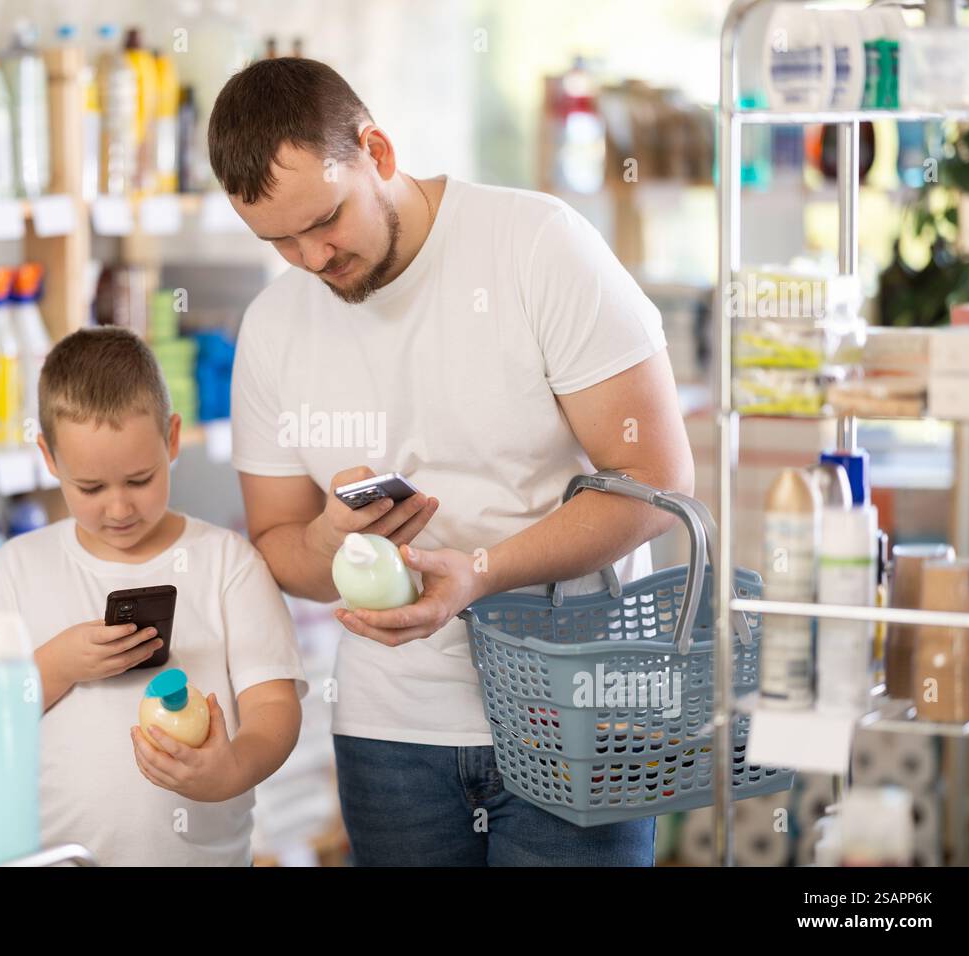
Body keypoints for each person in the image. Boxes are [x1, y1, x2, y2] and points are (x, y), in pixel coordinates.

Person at [210, 57, 694, 866]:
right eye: (278, 239)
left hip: (574, 714)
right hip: (389, 740)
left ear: (379, 151)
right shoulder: (273, 326)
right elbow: (278, 545)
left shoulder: (538, 247)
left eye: (325, 219)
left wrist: (480, 570)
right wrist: (331, 539)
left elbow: (658, 483)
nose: (311, 258)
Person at [0, 327, 306, 865]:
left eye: (140, 479)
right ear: (49, 459)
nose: (120, 508)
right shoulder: (15, 570)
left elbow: (273, 705)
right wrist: (57, 664)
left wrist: (232, 770)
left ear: (172, 440)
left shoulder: (227, 564)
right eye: (91, 488)